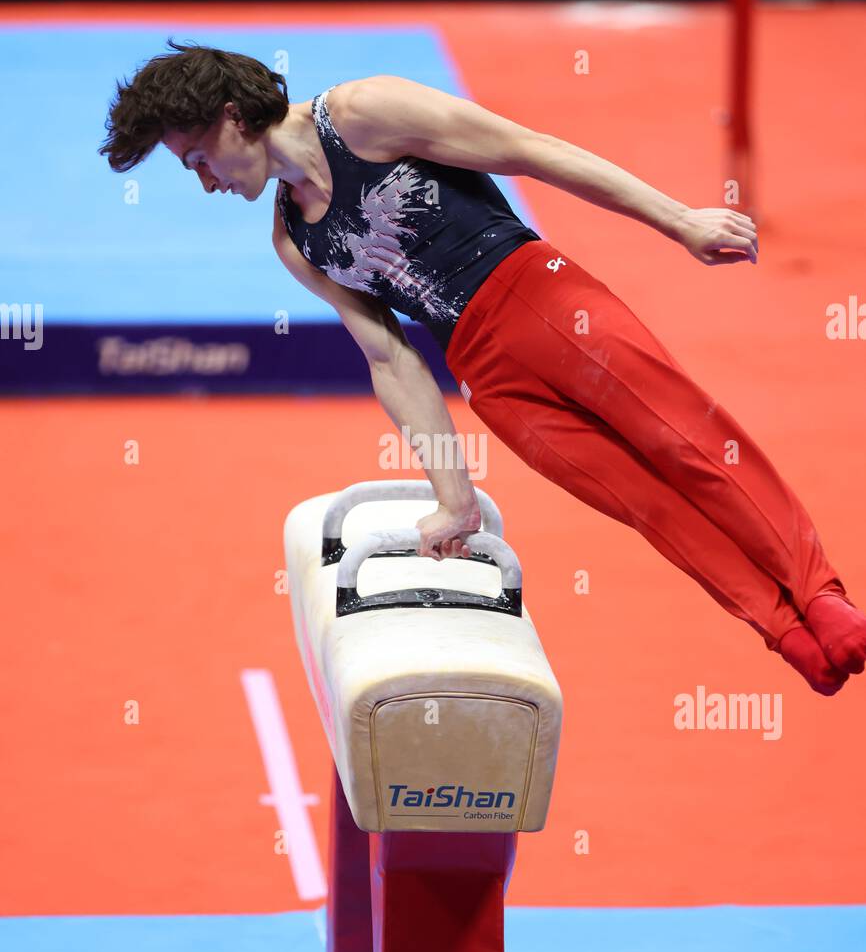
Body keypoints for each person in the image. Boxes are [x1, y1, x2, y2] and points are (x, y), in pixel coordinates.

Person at [99, 42, 866, 696]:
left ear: (234, 117)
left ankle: (819, 594)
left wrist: (680, 220)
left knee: (685, 446)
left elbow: (531, 149)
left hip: (542, 298)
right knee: (641, 502)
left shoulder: (361, 114)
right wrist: (453, 495)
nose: (204, 181)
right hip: (486, 375)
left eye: (198, 159)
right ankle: (783, 630)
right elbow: (390, 356)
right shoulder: (295, 242)